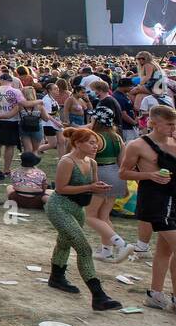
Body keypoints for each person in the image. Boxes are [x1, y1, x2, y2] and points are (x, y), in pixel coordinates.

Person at [120, 104, 176, 326]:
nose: (174, 128)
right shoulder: (137, 145)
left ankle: (155, 294)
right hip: (154, 202)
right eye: (169, 124)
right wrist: (150, 175)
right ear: (153, 123)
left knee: (165, 250)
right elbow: (123, 173)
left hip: (175, 198)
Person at [45, 127, 124, 311]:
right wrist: (90, 186)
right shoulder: (67, 161)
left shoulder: (92, 162)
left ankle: (56, 277)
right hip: (59, 207)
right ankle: (98, 295)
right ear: (78, 143)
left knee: (64, 243)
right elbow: (61, 189)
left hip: (77, 208)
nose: (96, 146)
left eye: (96, 143)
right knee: (84, 248)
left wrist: (100, 187)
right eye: (91, 142)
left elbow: (92, 186)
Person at [85, 108, 131, 261]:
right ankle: (106, 251)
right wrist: (123, 184)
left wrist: (91, 182)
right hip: (116, 176)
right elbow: (122, 163)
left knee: (90, 216)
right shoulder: (117, 137)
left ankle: (121, 244)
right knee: (103, 216)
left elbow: (91, 162)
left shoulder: (95, 137)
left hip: (101, 175)